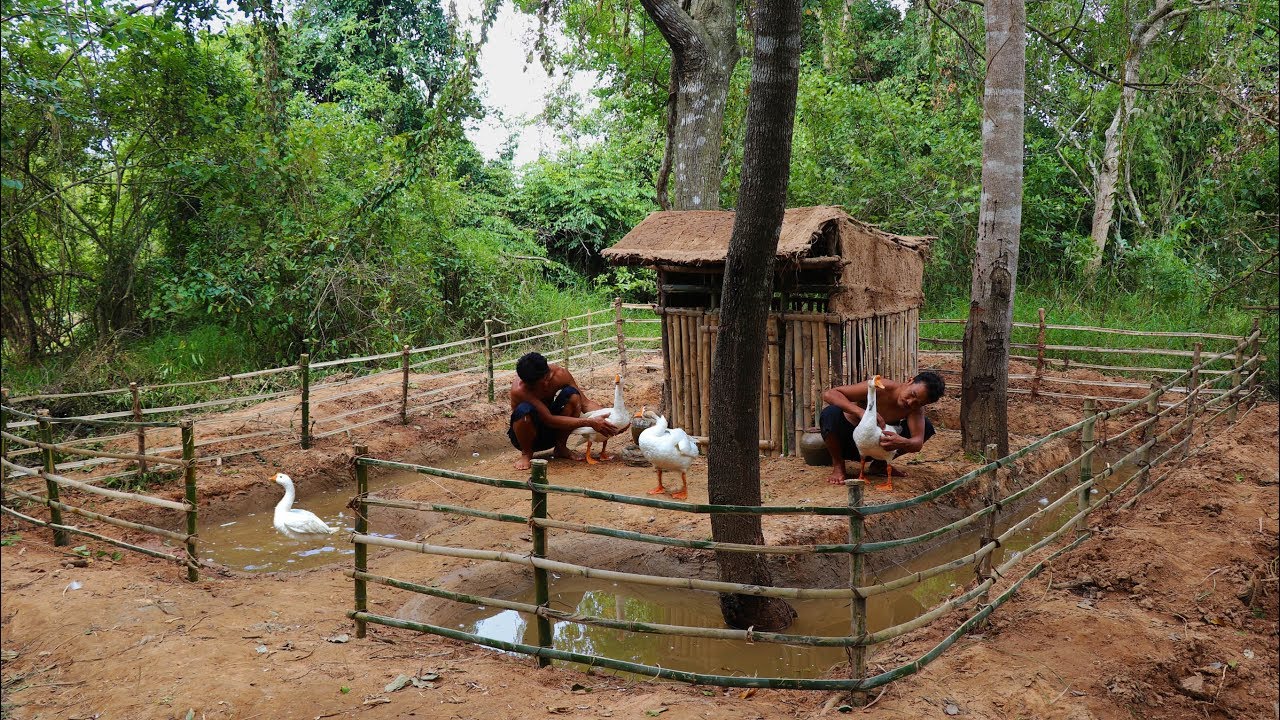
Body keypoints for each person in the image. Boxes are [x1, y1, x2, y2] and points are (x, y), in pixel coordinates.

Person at [818, 371, 946, 486]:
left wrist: (902, 442)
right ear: (910, 381)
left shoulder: (915, 409)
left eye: (919, 403)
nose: (911, 402)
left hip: (879, 448)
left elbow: (917, 442)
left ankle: (880, 464)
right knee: (830, 413)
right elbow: (830, 394)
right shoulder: (882, 387)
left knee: (927, 426)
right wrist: (861, 413)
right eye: (912, 394)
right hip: (848, 441)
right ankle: (838, 465)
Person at [508, 352, 621, 470]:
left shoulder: (561, 374)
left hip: (553, 432)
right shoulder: (520, 390)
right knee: (524, 411)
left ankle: (561, 447)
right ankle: (526, 453)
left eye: (546, 380)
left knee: (573, 395)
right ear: (527, 383)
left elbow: (585, 403)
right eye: (536, 386)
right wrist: (590, 422)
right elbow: (549, 419)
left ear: (547, 375)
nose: (545, 386)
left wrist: (615, 418)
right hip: (527, 435)